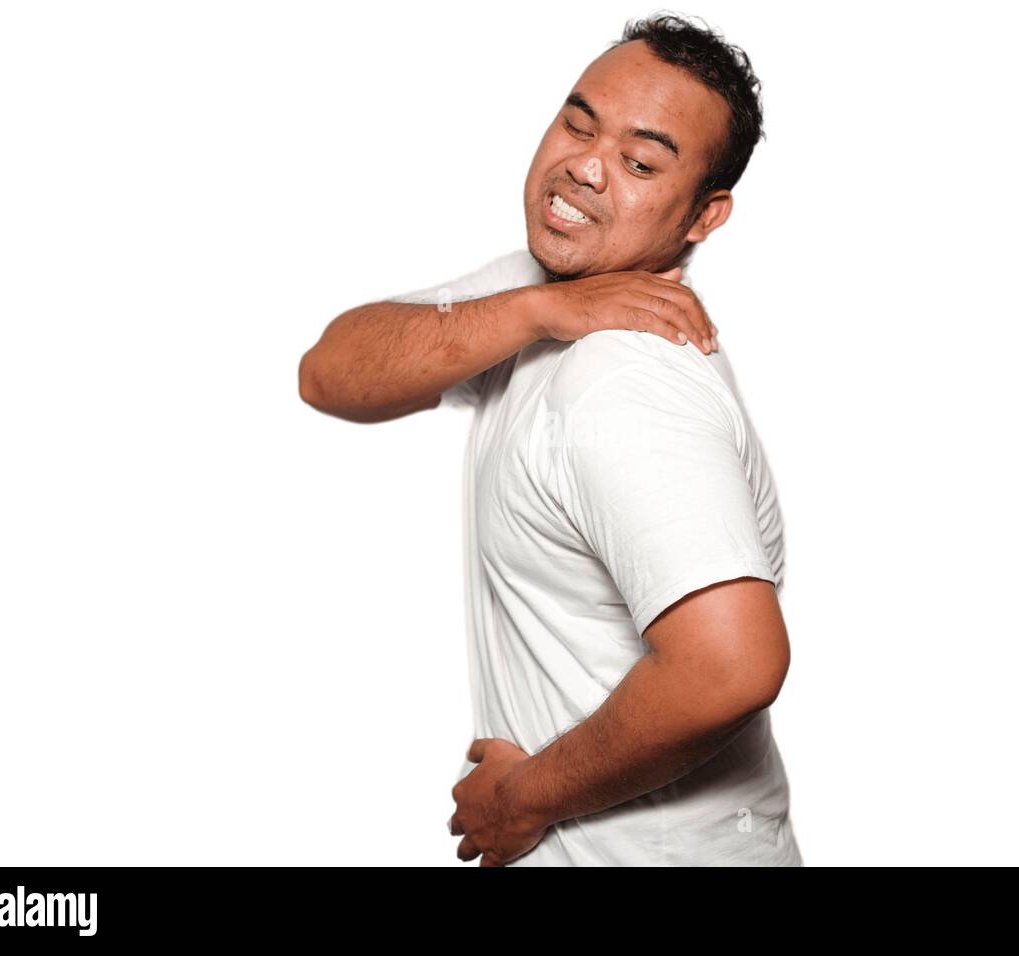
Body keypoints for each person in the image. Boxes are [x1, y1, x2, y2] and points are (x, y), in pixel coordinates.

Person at [298, 13, 801, 866]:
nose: (586, 165)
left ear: (705, 214)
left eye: (641, 161)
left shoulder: (625, 382)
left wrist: (522, 798)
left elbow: (733, 665)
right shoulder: (547, 291)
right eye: (578, 122)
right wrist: (535, 311)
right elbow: (331, 372)